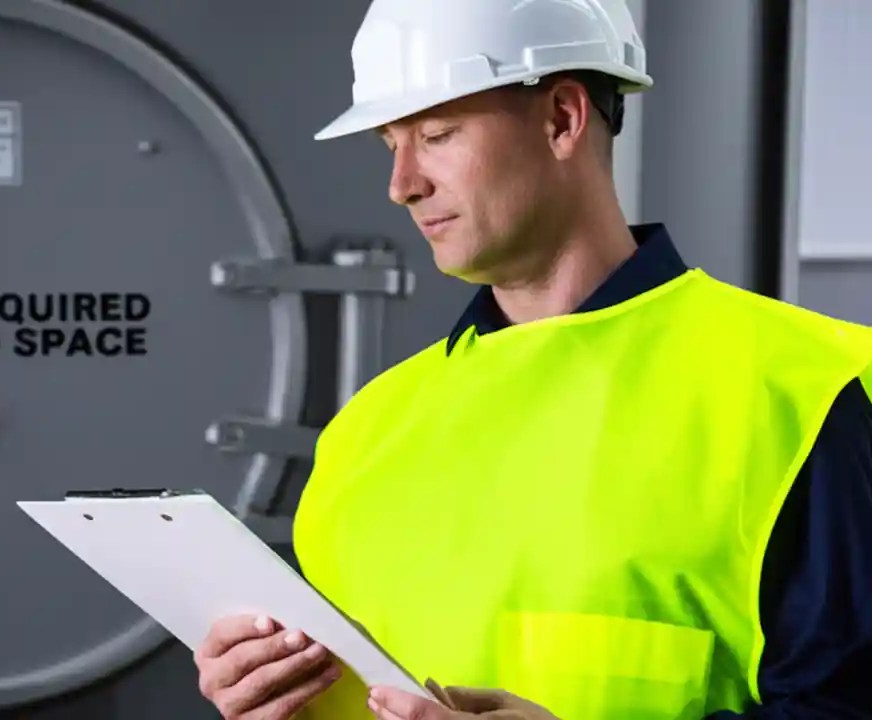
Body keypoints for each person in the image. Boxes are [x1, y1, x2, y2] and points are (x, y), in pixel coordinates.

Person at [192, 0, 872, 718]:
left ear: (562, 119)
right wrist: (276, 695)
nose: (403, 184)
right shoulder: (363, 433)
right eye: (390, 144)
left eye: (437, 135)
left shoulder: (805, 387)